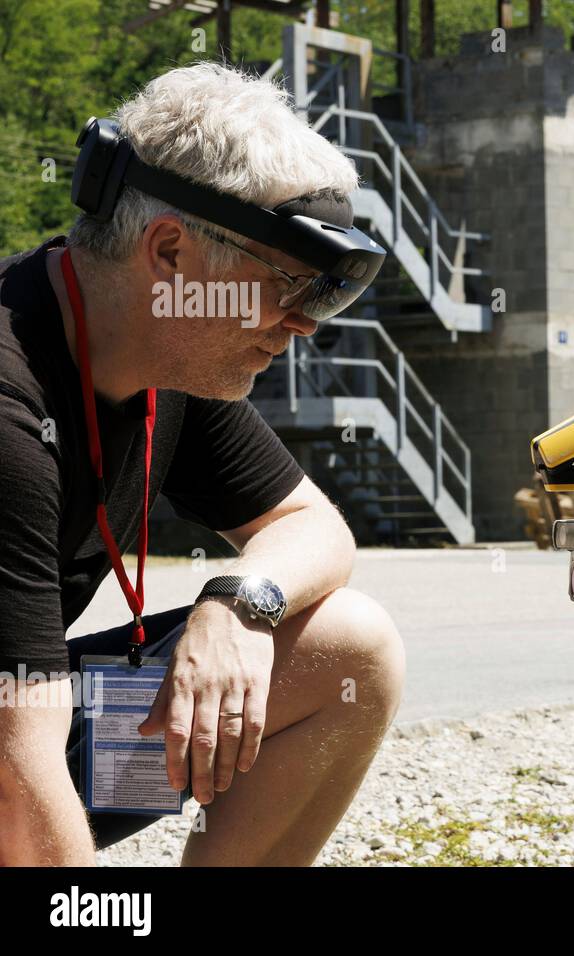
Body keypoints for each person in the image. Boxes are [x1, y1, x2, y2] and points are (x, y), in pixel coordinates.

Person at [0, 62, 405, 865]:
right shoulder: (9, 406)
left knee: (348, 648)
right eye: (292, 282)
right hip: (10, 759)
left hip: (17, 745)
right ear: (172, 253)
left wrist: (239, 606)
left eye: (326, 294)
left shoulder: (163, 354)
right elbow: (18, 769)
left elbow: (309, 525)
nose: (305, 325)